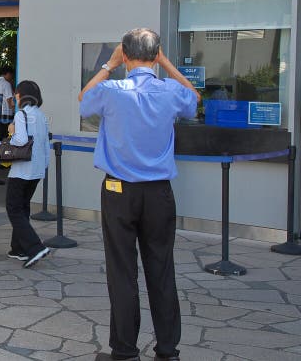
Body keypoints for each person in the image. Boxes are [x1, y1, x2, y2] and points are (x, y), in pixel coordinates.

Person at [79, 29, 199, 361]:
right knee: (161, 269)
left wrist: (109, 64)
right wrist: (167, 64)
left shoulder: (112, 90)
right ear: (156, 55)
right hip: (159, 193)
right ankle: (168, 350)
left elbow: (83, 99)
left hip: (118, 190)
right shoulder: (170, 91)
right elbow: (194, 99)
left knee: (122, 271)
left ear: (125, 55)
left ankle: (124, 350)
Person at [5, 80, 52, 267]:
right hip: (37, 170)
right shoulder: (41, 116)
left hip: (22, 170)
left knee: (13, 208)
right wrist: (44, 166)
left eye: (16, 95)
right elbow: (46, 144)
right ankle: (18, 249)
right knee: (23, 207)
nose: (16, 98)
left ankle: (35, 247)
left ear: (21, 95)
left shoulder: (21, 114)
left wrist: (11, 132)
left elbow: (21, 140)